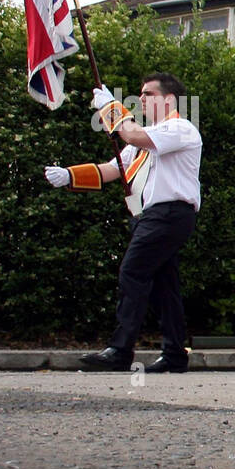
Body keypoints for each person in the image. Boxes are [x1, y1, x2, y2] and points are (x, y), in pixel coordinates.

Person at [45, 74, 201, 372]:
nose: (141, 99)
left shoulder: (180, 128)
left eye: (148, 94)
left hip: (168, 214)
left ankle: (120, 350)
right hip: (153, 217)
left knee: (132, 272)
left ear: (168, 99)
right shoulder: (149, 135)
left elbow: (130, 135)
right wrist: (69, 175)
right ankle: (174, 355)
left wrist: (111, 109)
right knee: (163, 286)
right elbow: (114, 169)